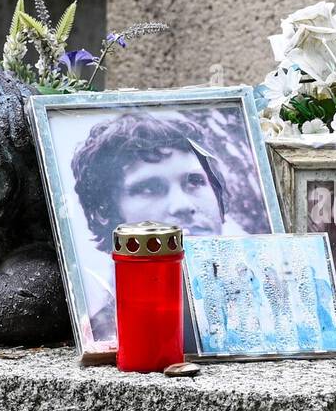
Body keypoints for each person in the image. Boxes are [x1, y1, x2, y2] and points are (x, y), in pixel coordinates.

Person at [71, 111, 240, 338]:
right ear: (105, 210)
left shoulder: (267, 313)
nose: (182, 205)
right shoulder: (105, 334)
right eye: (150, 188)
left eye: (195, 181)